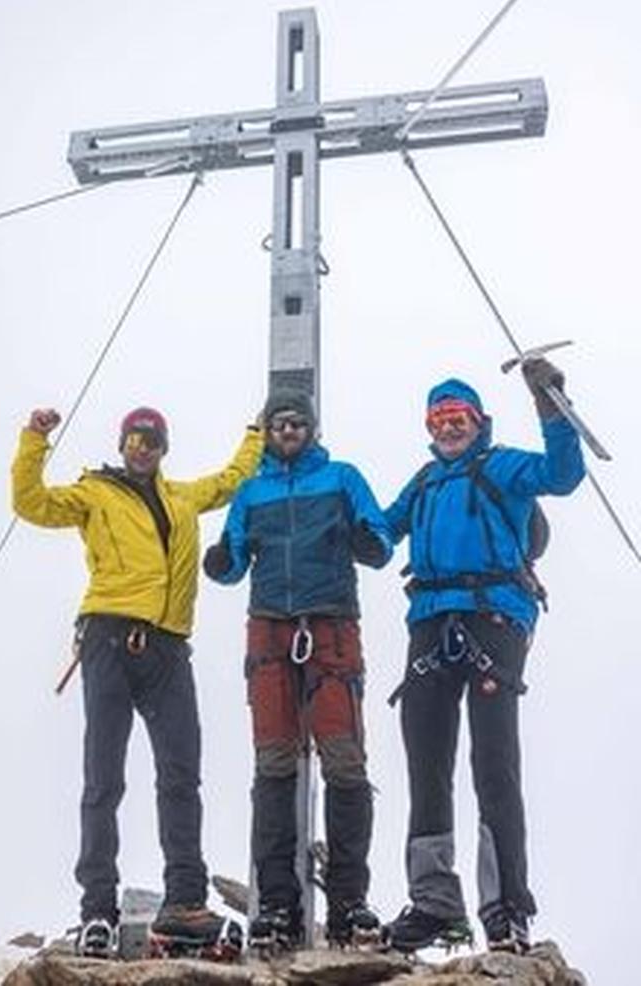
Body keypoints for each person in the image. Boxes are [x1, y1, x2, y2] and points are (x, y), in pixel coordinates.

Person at [11, 404, 264, 956]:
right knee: (103, 779)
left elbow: (232, 479)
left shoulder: (182, 497)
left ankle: (184, 903)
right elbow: (30, 503)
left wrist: (255, 432)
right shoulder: (95, 493)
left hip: (169, 648)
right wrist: (35, 438)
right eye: (134, 437)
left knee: (181, 775)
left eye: (151, 439)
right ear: (122, 443)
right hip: (108, 638)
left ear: (163, 448)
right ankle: (97, 910)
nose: (142, 446)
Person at [382, 359, 585, 955]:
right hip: (429, 623)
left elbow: (564, 473)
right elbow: (377, 534)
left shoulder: (505, 466)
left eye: (458, 417)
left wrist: (551, 404)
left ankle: (505, 910)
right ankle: (435, 904)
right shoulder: (423, 482)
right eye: (438, 418)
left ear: (479, 421)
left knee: (493, 763)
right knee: (426, 765)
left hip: (494, 616)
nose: (448, 427)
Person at [202, 390, 393, 948]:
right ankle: (278, 904)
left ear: (311, 429)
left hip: (330, 625)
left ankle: (349, 901)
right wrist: (220, 562)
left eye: (297, 423)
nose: (288, 430)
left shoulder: (342, 477)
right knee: (275, 765)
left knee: (343, 761)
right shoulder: (250, 491)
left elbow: (379, 540)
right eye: (279, 423)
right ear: (267, 431)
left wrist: (364, 540)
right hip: (269, 629)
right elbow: (233, 560)